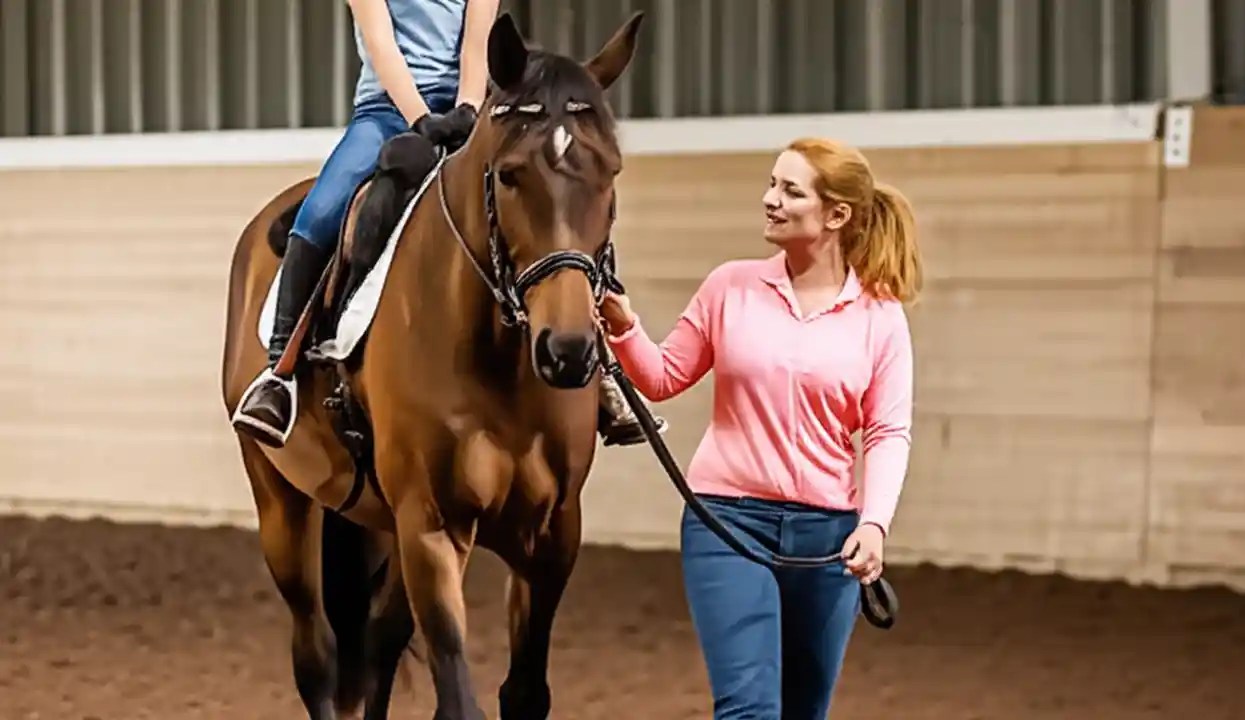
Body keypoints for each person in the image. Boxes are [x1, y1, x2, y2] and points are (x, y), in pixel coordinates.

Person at [233, 0, 662, 449]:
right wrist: (421, 119)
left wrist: (466, 111)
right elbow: (382, 47)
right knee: (320, 213)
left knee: (553, 192)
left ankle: (604, 374)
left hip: (473, 112)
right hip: (386, 112)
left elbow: (476, 47)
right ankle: (279, 372)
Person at [597, 137, 922, 718]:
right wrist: (625, 328)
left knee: (804, 711)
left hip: (829, 541)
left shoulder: (880, 316)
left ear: (837, 214)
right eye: (772, 184)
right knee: (748, 709)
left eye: (790, 190)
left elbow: (886, 431)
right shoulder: (730, 286)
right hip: (728, 523)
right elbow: (665, 376)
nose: (770, 199)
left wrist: (873, 526)